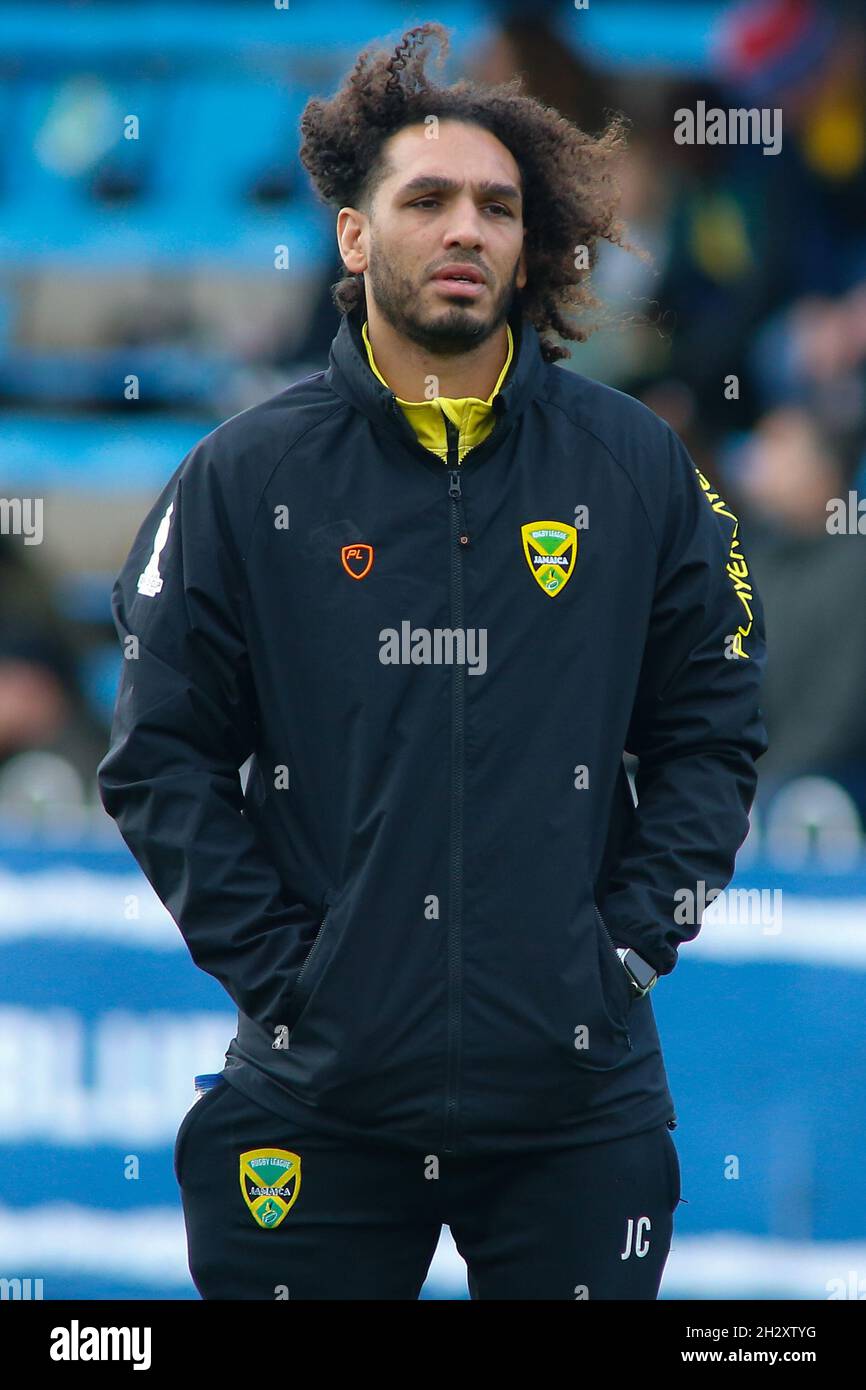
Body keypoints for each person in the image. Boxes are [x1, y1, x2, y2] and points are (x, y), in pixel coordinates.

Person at [97, 23, 769, 1300]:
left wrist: (619, 951)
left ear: (529, 246)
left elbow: (713, 733)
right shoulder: (246, 477)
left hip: (573, 1099)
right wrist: (291, 978)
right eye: (427, 199)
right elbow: (160, 756)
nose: (464, 228)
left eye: (495, 207)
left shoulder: (635, 469)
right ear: (355, 237)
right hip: (318, 1097)